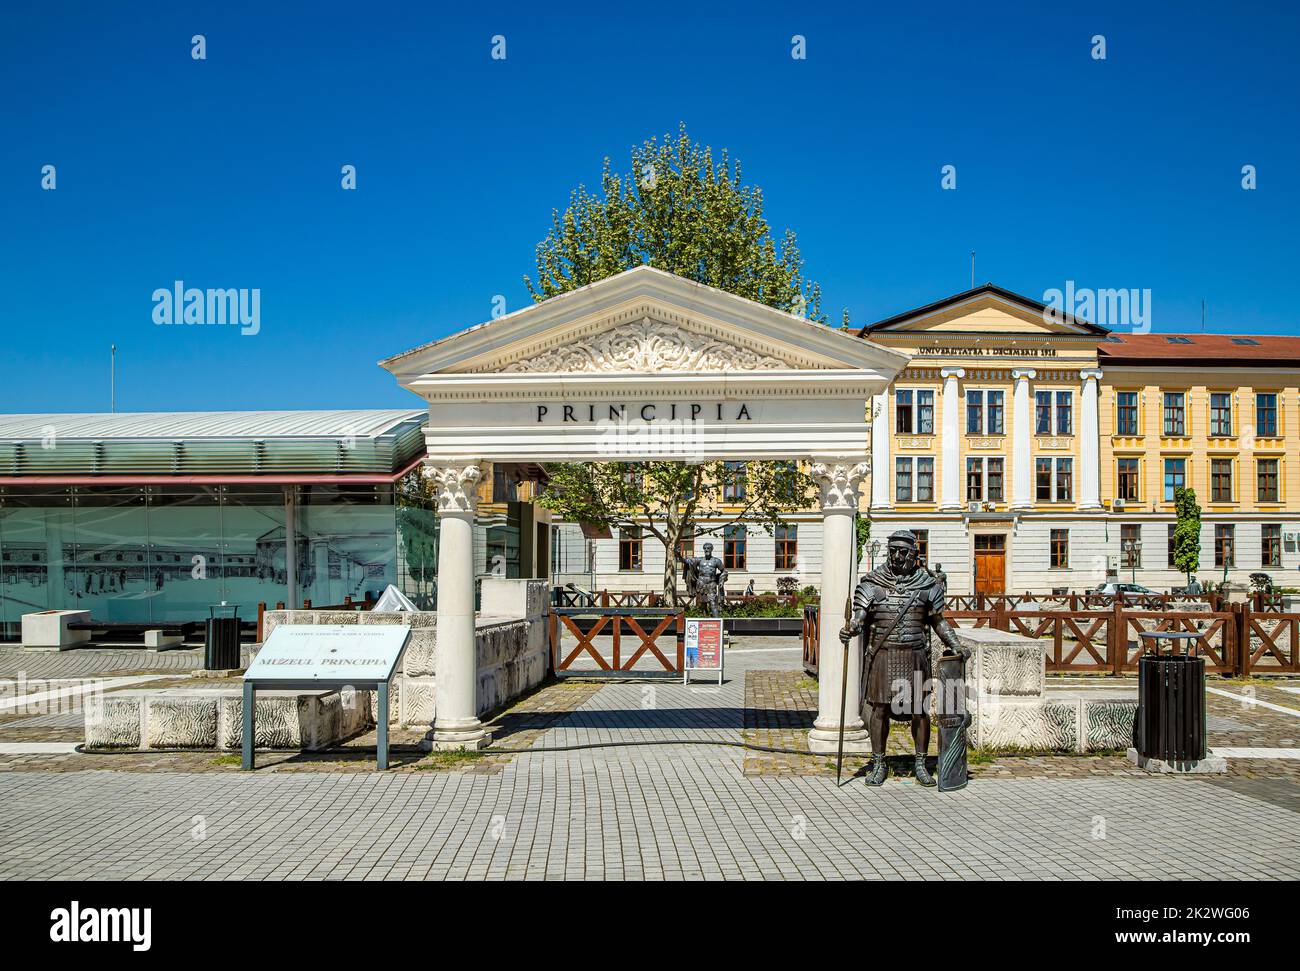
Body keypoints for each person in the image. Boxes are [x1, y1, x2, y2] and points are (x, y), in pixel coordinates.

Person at [840, 530, 968, 787]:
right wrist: (851, 628)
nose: (897, 557)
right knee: (880, 710)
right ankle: (878, 762)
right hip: (884, 656)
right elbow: (860, 618)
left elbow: (939, 623)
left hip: (914, 655)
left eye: (903, 552)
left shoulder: (927, 586)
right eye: (893, 551)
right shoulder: (873, 583)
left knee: (920, 711)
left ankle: (920, 763)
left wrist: (955, 645)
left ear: (914, 554)